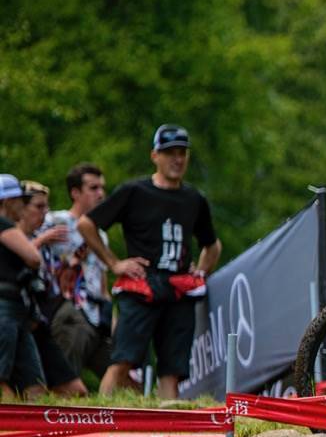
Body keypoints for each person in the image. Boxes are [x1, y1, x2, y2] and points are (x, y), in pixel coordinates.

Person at [76, 124, 223, 399]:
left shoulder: (194, 198)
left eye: (182, 153)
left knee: (172, 370)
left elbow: (212, 245)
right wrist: (114, 263)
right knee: (122, 361)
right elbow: (86, 224)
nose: (177, 159)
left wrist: (201, 273)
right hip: (140, 286)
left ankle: (170, 435)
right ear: (155, 155)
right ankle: (101, 419)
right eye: (170, 153)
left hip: (178, 290)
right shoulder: (135, 191)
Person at [40, 163, 113, 378]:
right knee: (66, 380)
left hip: (96, 315)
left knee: (120, 374)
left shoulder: (101, 235)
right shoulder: (55, 220)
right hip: (68, 310)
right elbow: (24, 241)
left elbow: (102, 283)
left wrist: (112, 319)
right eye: (93, 188)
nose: (100, 194)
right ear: (75, 193)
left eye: (102, 188)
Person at [17, 182, 87, 396]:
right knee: (29, 391)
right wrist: (39, 241)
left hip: (41, 319)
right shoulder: (10, 237)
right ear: (20, 208)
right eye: (39, 207)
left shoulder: (46, 242)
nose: (45, 213)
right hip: (16, 320)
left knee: (76, 391)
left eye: (47, 207)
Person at [0, 174, 46, 400]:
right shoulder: (3, 224)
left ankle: (30, 428)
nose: (24, 206)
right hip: (4, 309)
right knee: (2, 380)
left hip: (16, 309)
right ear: (7, 202)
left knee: (34, 383)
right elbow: (33, 258)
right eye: (20, 200)